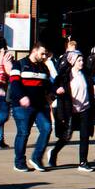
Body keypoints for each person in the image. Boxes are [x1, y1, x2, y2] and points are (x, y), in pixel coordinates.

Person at [9, 42, 56, 173]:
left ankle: (36, 158)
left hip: (40, 105)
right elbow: (14, 84)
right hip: (21, 106)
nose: (44, 56)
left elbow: (48, 85)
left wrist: (56, 90)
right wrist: (22, 96)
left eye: (46, 54)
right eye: (42, 53)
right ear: (34, 51)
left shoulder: (43, 68)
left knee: (46, 128)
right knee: (23, 133)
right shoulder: (19, 64)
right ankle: (19, 162)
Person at [49, 51, 95, 172]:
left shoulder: (85, 73)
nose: (81, 63)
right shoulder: (64, 75)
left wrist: (94, 88)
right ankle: (53, 153)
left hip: (85, 109)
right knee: (66, 137)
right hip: (69, 110)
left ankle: (83, 162)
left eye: (82, 60)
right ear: (72, 61)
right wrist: (57, 90)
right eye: (79, 60)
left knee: (85, 136)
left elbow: (91, 84)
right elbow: (53, 87)